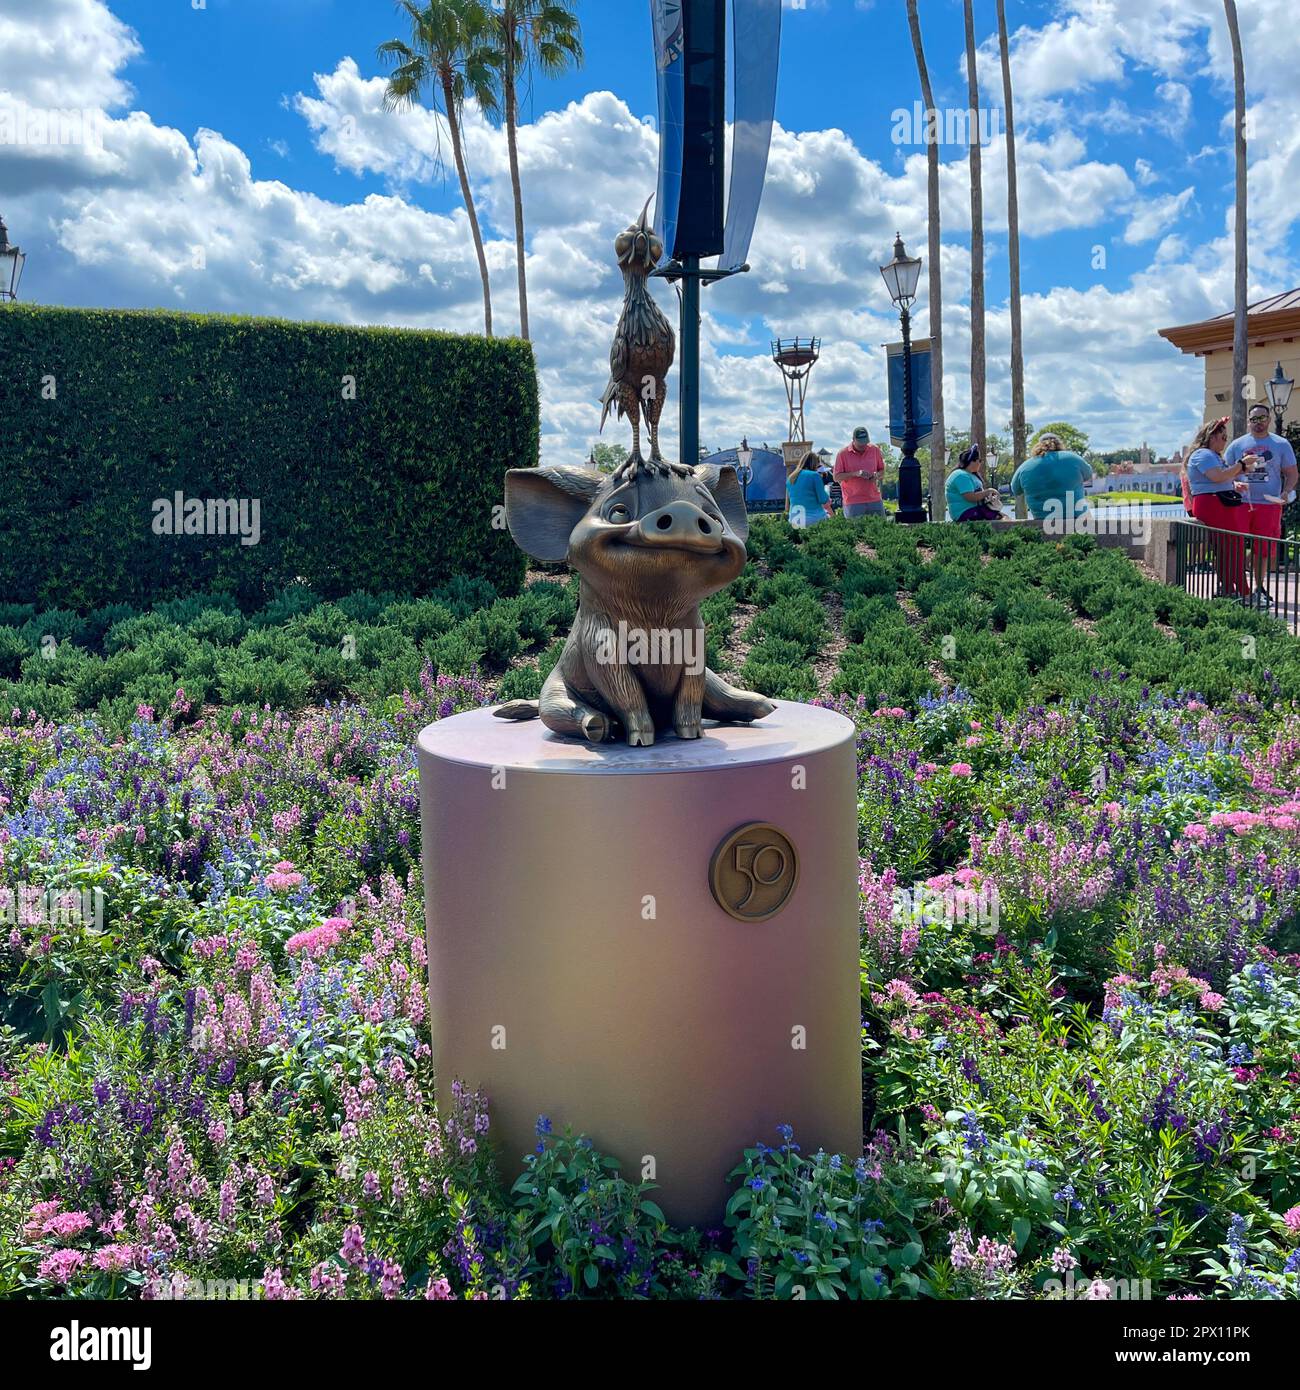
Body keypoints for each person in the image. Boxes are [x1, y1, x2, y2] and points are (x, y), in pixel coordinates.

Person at [1224, 403, 1299, 607]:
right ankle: (1236, 587)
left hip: (1269, 504)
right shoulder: (1236, 445)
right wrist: (1233, 483)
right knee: (1235, 545)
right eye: (1254, 418)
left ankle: (1259, 588)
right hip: (1240, 503)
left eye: (1262, 418)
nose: (1259, 422)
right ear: (1248, 421)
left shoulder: (1281, 444)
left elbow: (1291, 473)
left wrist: (1286, 491)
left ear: (1269, 419)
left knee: (1263, 549)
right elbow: (1224, 472)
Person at [1185, 415, 1252, 599]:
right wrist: (1241, 465)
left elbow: (1220, 479)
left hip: (1216, 502)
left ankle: (1230, 589)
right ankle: (1242, 592)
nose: (1225, 441)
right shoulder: (1203, 454)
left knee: (1227, 549)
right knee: (1233, 547)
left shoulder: (1211, 455)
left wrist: (1235, 482)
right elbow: (1217, 476)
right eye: (1223, 437)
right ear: (1212, 437)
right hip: (1213, 504)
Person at [1010, 432, 1093, 521]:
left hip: (1041, 520)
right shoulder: (1074, 458)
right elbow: (1088, 474)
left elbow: (1015, 490)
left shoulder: (1024, 467)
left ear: (1038, 446)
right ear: (1059, 445)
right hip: (1077, 518)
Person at [833, 427, 885, 518]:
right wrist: (855, 474)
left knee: (882, 529)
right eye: (860, 444)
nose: (863, 446)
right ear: (853, 440)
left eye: (865, 443)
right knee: (856, 531)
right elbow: (836, 477)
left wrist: (876, 476)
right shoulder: (842, 454)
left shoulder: (874, 450)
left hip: (874, 499)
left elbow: (882, 470)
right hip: (853, 502)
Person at [945, 445, 1002, 521]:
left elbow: (979, 494)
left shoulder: (971, 475)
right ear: (972, 461)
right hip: (964, 513)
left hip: (974, 510)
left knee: (1002, 516)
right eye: (980, 460)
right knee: (1001, 518)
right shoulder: (960, 475)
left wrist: (989, 497)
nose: (980, 463)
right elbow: (970, 497)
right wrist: (989, 491)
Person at [786, 450, 832, 528]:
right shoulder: (814, 475)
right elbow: (823, 500)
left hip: (794, 519)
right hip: (813, 519)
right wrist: (827, 496)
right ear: (814, 464)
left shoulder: (791, 478)